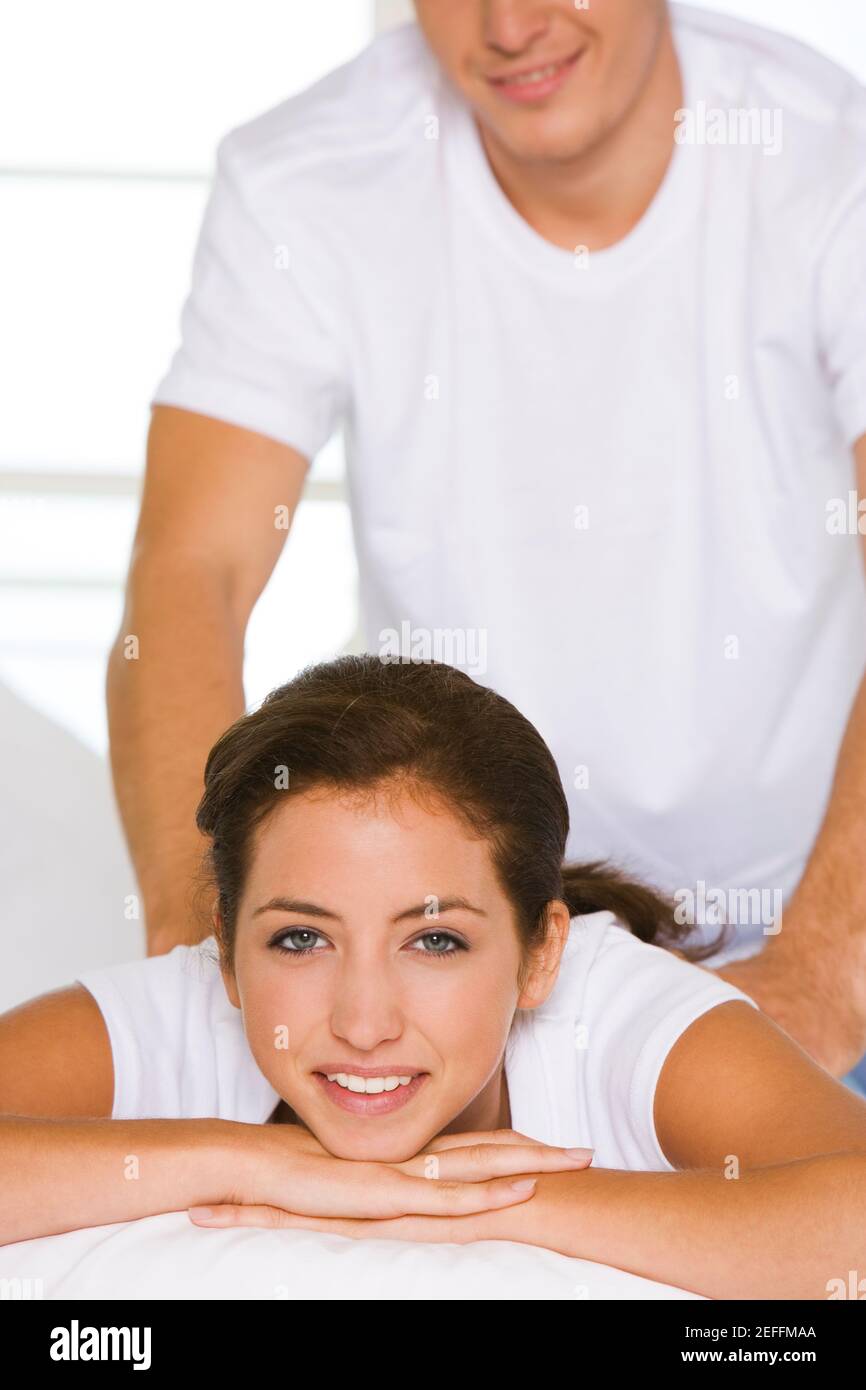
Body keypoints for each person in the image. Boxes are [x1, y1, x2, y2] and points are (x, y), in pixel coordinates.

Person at [108, 2, 866, 1088]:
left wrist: (823, 973)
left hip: (816, 920)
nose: (510, 24)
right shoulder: (302, 180)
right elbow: (193, 572)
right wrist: (212, 955)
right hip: (451, 961)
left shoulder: (825, 157)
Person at [4, 655, 866, 1297]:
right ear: (226, 952)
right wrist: (259, 1162)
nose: (364, 1022)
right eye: (302, 939)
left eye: (436, 942)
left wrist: (468, 1200)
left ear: (540, 955)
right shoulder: (186, 1010)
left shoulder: (618, 1014)